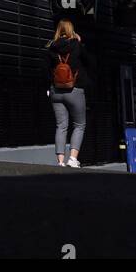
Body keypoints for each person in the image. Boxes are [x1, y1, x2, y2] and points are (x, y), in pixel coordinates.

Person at [45, 19, 87, 169]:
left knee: (61, 126)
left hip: (56, 91)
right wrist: (80, 42)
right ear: (71, 30)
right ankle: (73, 159)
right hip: (74, 89)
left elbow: (46, 70)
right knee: (79, 124)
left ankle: (60, 162)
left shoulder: (51, 47)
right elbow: (88, 62)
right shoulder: (76, 45)